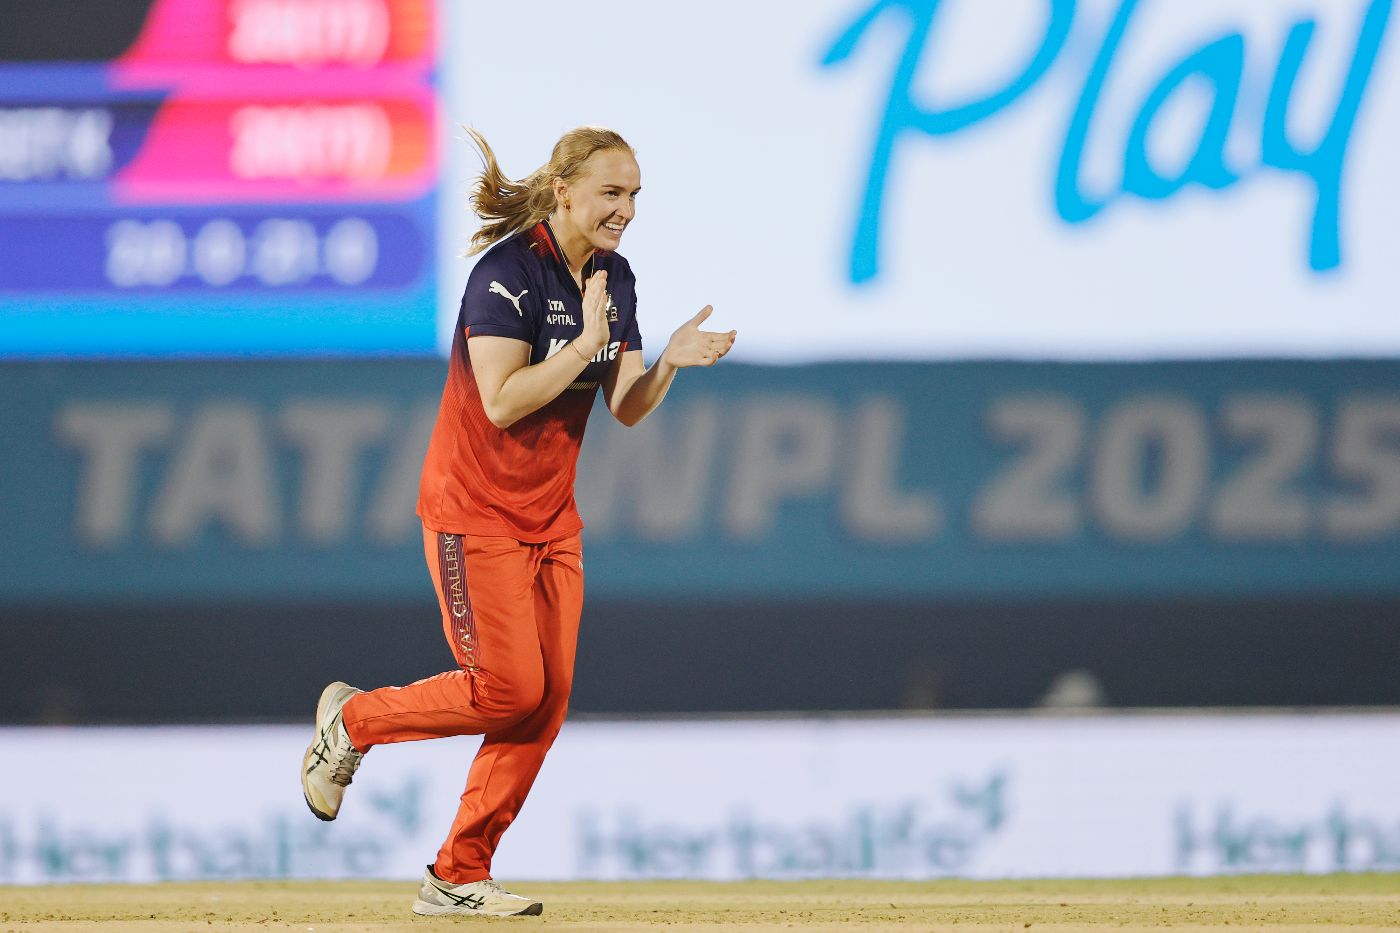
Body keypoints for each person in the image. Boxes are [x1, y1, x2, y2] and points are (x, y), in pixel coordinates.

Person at [299, 126, 736, 917]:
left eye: (635, 194)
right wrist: (583, 350)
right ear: (564, 189)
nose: (627, 209)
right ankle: (355, 719)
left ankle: (459, 872)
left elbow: (627, 408)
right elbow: (500, 401)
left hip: (551, 520)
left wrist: (667, 359)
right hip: (475, 512)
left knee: (546, 699)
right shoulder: (506, 274)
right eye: (612, 192)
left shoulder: (614, 277)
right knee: (507, 689)